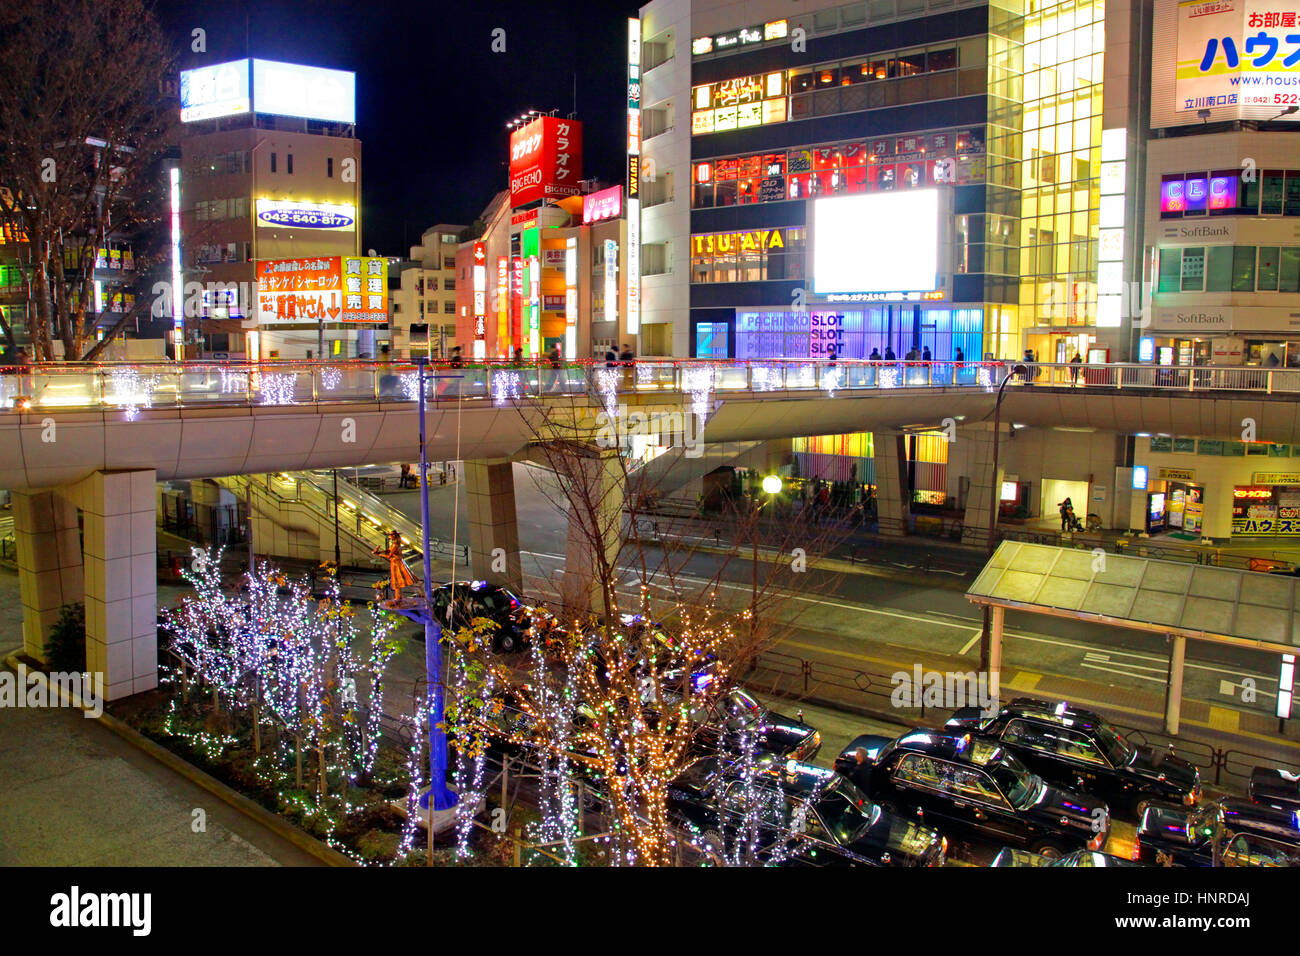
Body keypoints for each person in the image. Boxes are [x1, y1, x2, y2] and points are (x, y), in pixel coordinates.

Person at [372, 531, 417, 601]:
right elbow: (388, 550)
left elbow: (389, 555)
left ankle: (398, 597)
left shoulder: (395, 545)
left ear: (394, 536)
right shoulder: (394, 544)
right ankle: (398, 597)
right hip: (395, 562)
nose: (389, 537)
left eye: (390, 535)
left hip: (397, 563)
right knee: (396, 580)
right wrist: (380, 552)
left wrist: (379, 554)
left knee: (397, 580)